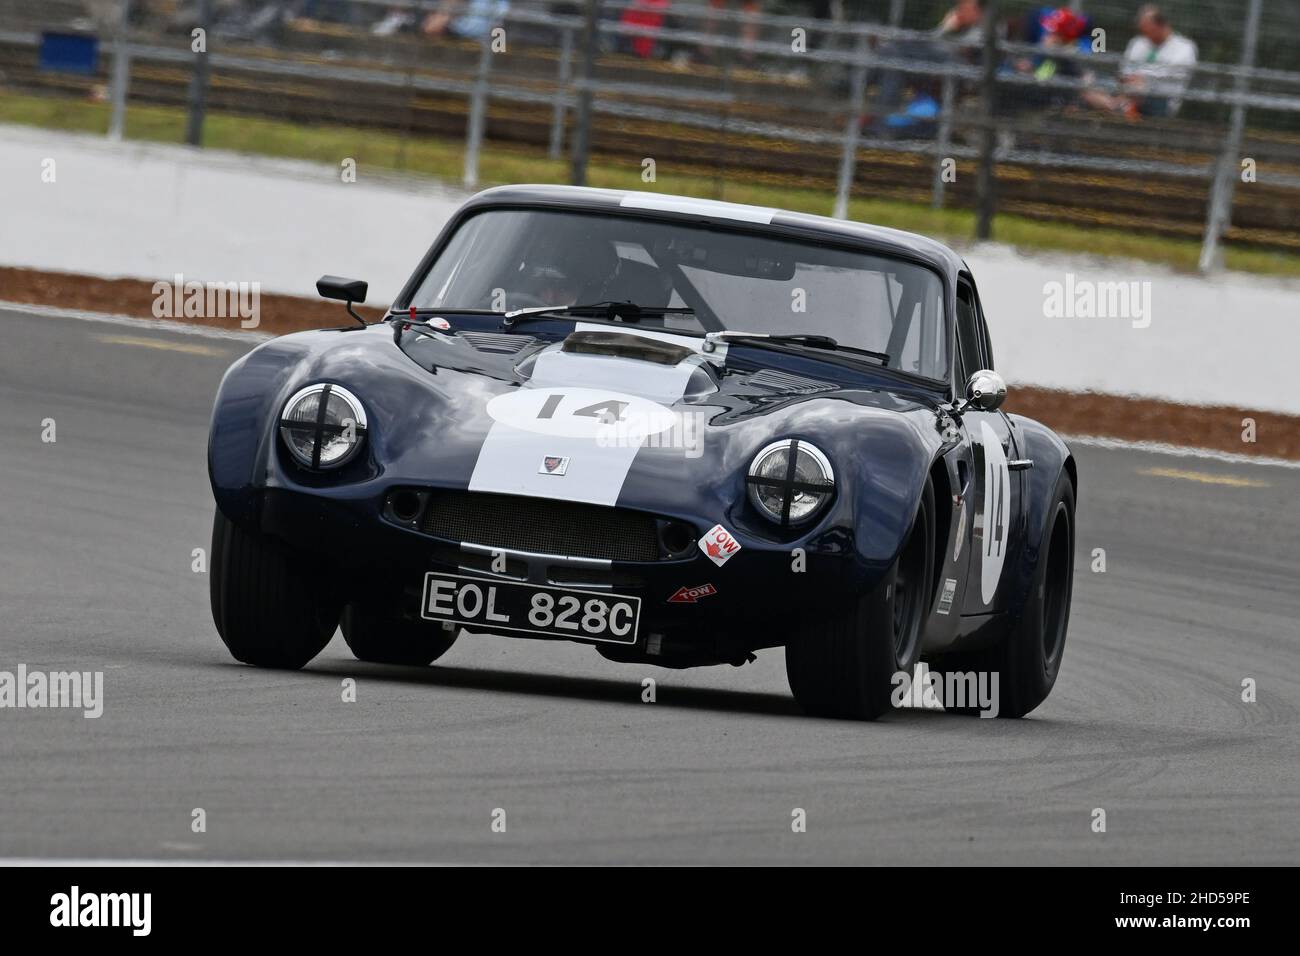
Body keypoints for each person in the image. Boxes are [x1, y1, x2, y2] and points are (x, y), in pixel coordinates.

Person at [1083, 4, 1197, 119]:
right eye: (1143, 30)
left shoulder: (1185, 47)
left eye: (1150, 30)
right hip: (1128, 91)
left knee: (1139, 87)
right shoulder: (1138, 42)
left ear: (1162, 25)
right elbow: (1125, 70)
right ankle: (1115, 106)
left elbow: (1175, 73)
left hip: (1161, 100)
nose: (1146, 35)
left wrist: (1143, 77)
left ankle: (1117, 107)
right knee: (1088, 81)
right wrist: (1129, 79)